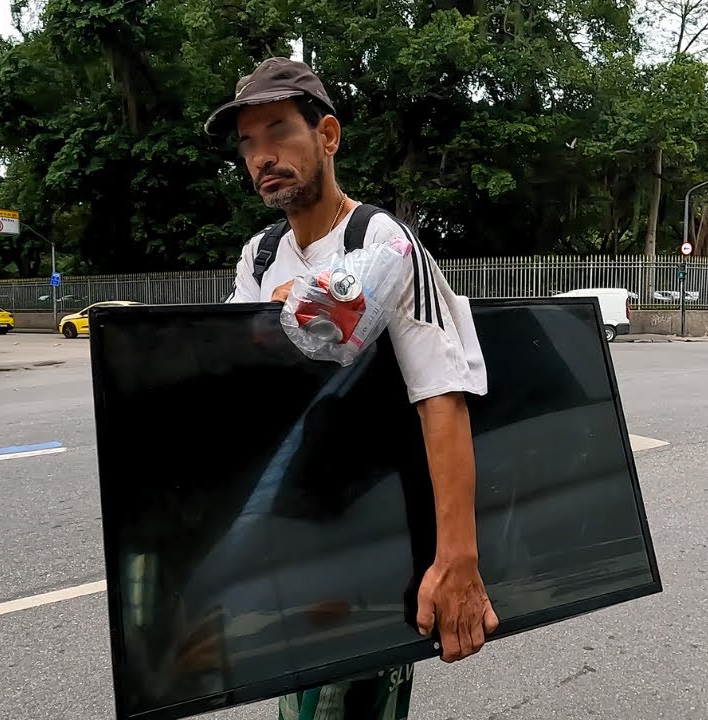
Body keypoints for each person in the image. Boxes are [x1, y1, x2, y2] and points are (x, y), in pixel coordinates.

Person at [205, 57, 498, 720]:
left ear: (328, 136)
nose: (262, 157)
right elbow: (232, 364)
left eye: (279, 132)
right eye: (248, 144)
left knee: (351, 703)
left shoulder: (384, 241)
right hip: (295, 524)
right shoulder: (258, 254)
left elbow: (433, 392)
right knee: (297, 703)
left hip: (377, 528)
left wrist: (457, 561)